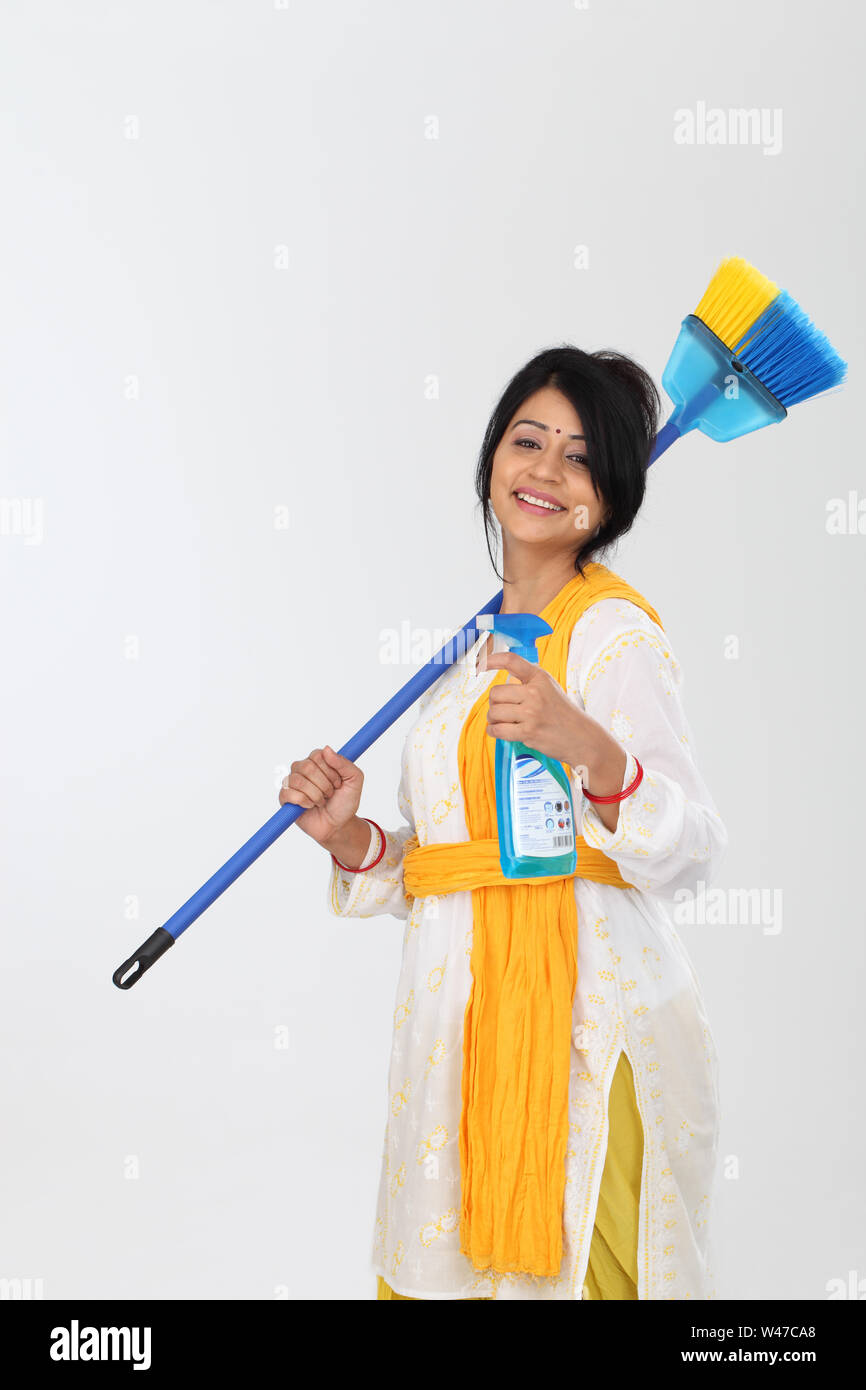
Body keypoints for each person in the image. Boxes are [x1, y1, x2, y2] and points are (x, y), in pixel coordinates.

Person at [279, 346, 728, 1300]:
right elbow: (462, 864)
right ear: (493, 459)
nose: (547, 470)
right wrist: (351, 838)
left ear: (611, 497)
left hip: (588, 1030)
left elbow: (692, 851)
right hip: (456, 1039)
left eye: (581, 457)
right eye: (529, 441)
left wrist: (593, 751)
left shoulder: (613, 634)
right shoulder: (467, 657)